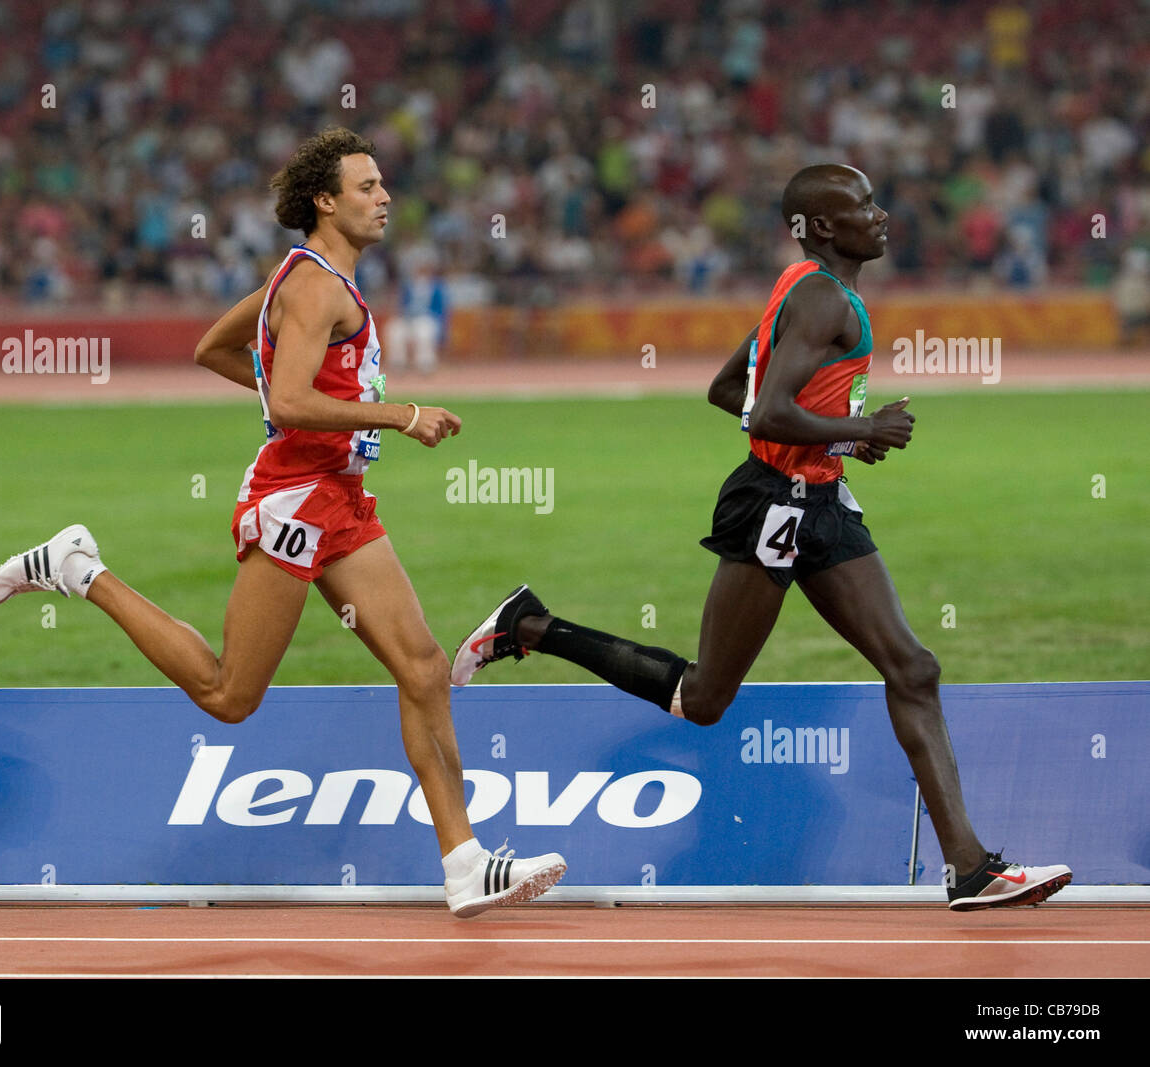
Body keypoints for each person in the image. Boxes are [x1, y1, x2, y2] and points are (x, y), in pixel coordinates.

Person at [452, 163, 1070, 912]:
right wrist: (860, 427)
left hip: (819, 500)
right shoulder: (818, 297)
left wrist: (836, 446)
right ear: (821, 227)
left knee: (914, 667)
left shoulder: (811, 290)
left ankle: (968, 869)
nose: (880, 216)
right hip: (775, 506)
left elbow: (728, 392)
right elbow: (768, 411)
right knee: (704, 697)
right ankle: (531, 626)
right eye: (862, 206)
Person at [0, 127, 565, 918]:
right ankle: (80, 570)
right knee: (229, 696)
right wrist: (398, 414)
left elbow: (215, 350)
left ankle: (464, 863)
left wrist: (304, 408)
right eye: (366, 186)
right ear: (325, 201)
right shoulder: (317, 287)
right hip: (294, 500)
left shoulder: (304, 280)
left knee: (423, 667)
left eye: (383, 184)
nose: (385, 196)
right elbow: (287, 399)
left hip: (341, 499)